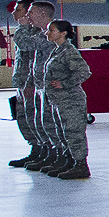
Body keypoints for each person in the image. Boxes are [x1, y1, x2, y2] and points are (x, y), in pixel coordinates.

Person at [38, 20, 91, 179]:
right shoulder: (57, 51)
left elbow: (84, 72)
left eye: (52, 30)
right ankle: (69, 162)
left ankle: (81, 166)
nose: (47, 33)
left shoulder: (69, 51)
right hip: (59, 101)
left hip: (70, 100)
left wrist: (65, 84)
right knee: (63, 133)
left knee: (74, 133)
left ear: (63, 34)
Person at [4, 0, 49, 166]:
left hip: (32, 83)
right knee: (25, 119)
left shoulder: (36, 31)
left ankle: (45, 152)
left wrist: (30, 84)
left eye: (18, 10)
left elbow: (32, 57)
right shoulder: (24, 30)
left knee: (38, 118)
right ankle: (36, 150)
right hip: (24, 83)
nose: (13, 13)